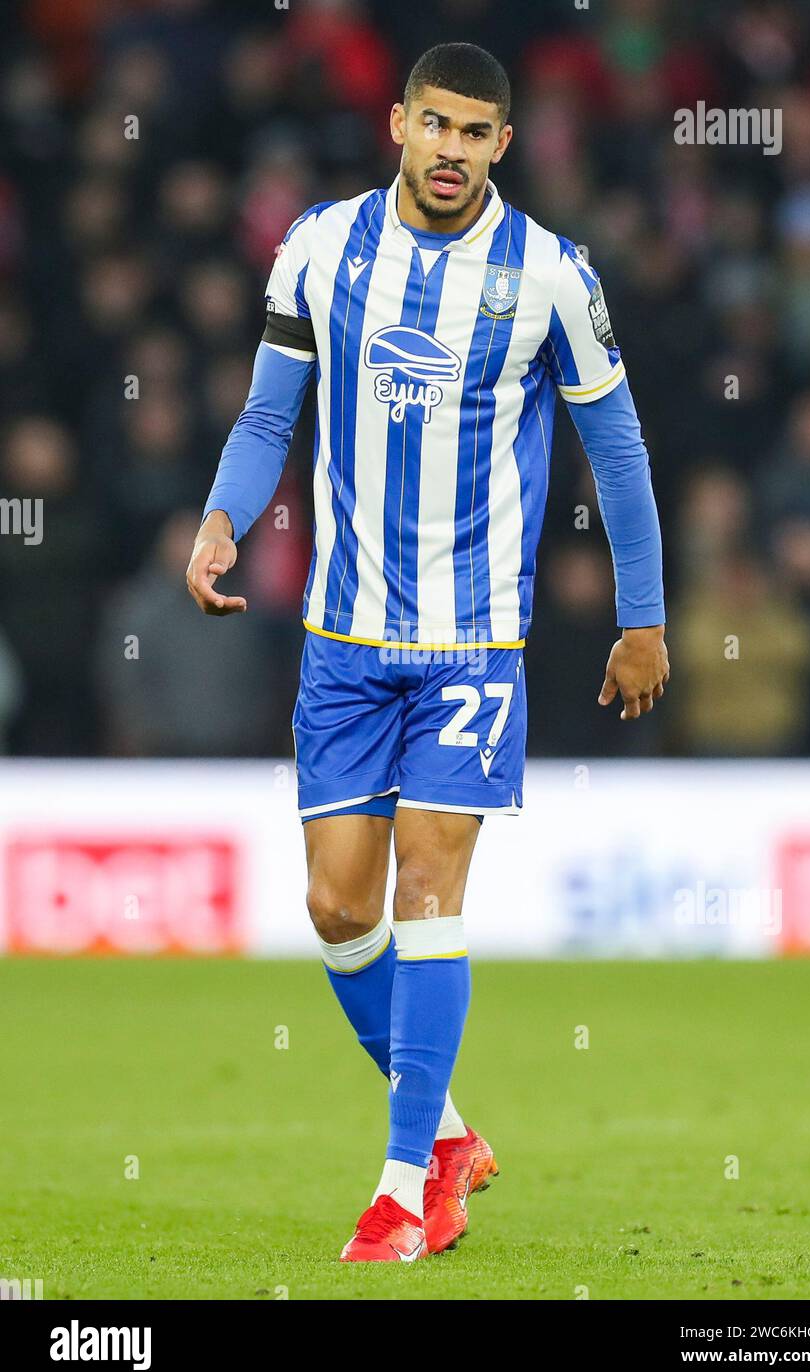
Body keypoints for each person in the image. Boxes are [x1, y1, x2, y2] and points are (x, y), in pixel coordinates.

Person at [187, 43, 668, 1262]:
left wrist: (643, 615)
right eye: (434, 125)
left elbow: (616, 452)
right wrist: (221, 520)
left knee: (427, 892)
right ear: (398, 123)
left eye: (476, 133)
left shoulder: (551, 278)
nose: (451, 150)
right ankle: (447, 1132)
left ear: (504, 145)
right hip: (343, 635)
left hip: (470, 643)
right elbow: (265, 413)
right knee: (339, 908)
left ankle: (404, 1192)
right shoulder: (317, 246)